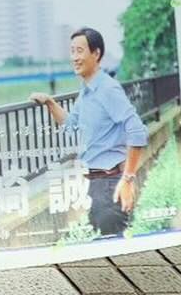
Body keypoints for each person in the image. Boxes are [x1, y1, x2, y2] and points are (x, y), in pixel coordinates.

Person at [32, 27, 149, 236]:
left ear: (96, 54)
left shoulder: (107, 89)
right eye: (72, 51)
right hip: (97, 184)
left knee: (113, 245)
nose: (75, 57)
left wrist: (128, 179)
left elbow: (137, 131)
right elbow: (70, 124)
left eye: (80, 51)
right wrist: (50, 102)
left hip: (110, 182)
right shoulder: (86, 91)